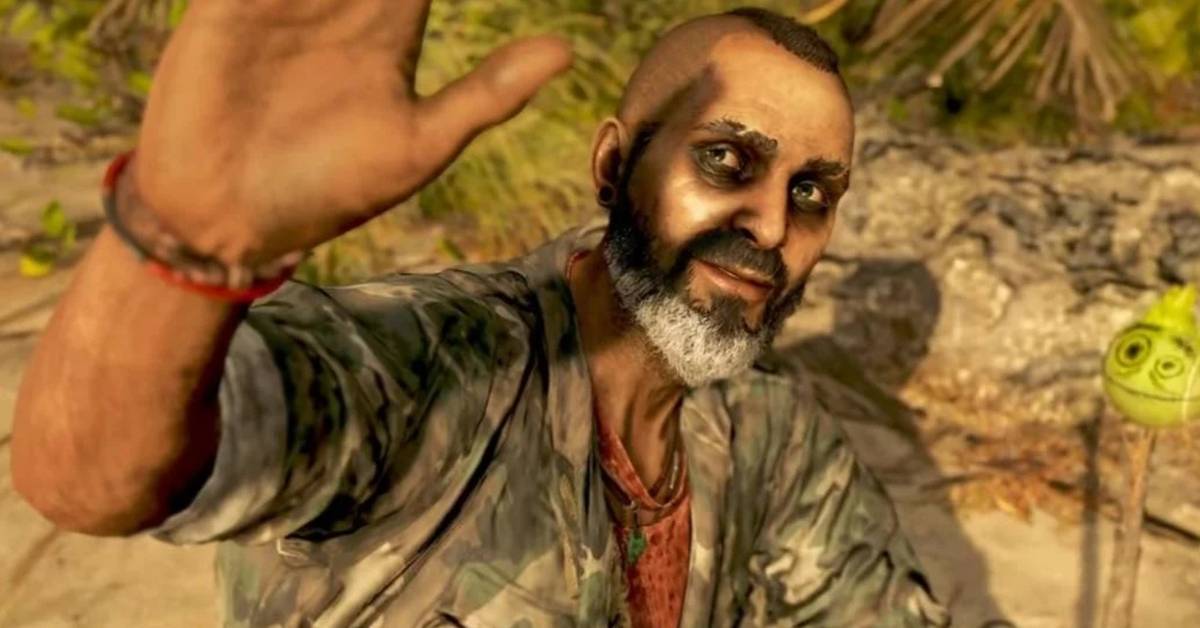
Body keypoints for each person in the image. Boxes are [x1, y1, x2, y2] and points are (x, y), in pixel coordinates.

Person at [10, 2, 949, 626]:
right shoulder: (442, 365)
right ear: (613, 166)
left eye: (813, 192)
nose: (772, 226)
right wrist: (186, 242)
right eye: (727, 161)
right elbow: (90, 476)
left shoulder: (774, 431)